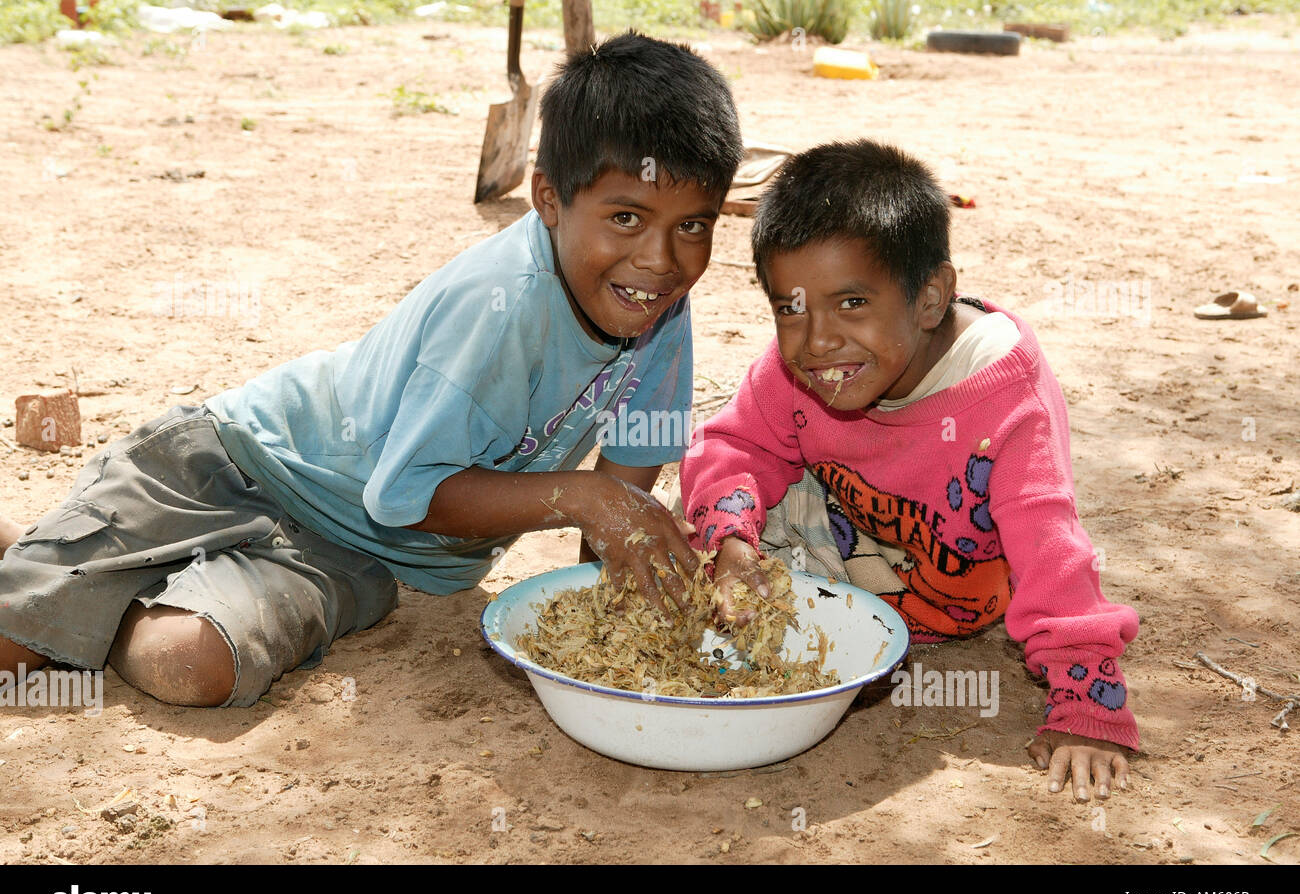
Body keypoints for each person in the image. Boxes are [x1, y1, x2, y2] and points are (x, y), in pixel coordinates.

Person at [0, 31, 744, 709]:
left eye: (693, 226)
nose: (660, 259)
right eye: (626, 217)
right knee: (15, 647)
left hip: (365, 551)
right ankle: (69, 564)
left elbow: (620, 506)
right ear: (548, 197)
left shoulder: (661, 317)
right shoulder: (497, 308)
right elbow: (408, 493)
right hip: (237, 464)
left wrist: (625, 607)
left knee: (198, 669)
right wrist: (584, 498)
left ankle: (106, 582)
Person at [680, 139, 1139, 800]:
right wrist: (731, 549)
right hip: (836, 559)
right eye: (790, 307)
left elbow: (1052, 555)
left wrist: (1090, 709)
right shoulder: (801, 371)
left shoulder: (1006, 404)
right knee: (710, 507)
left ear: (930, 300)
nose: (816, 340)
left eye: (852, 305)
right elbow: (735, 446)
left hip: (953, 592)